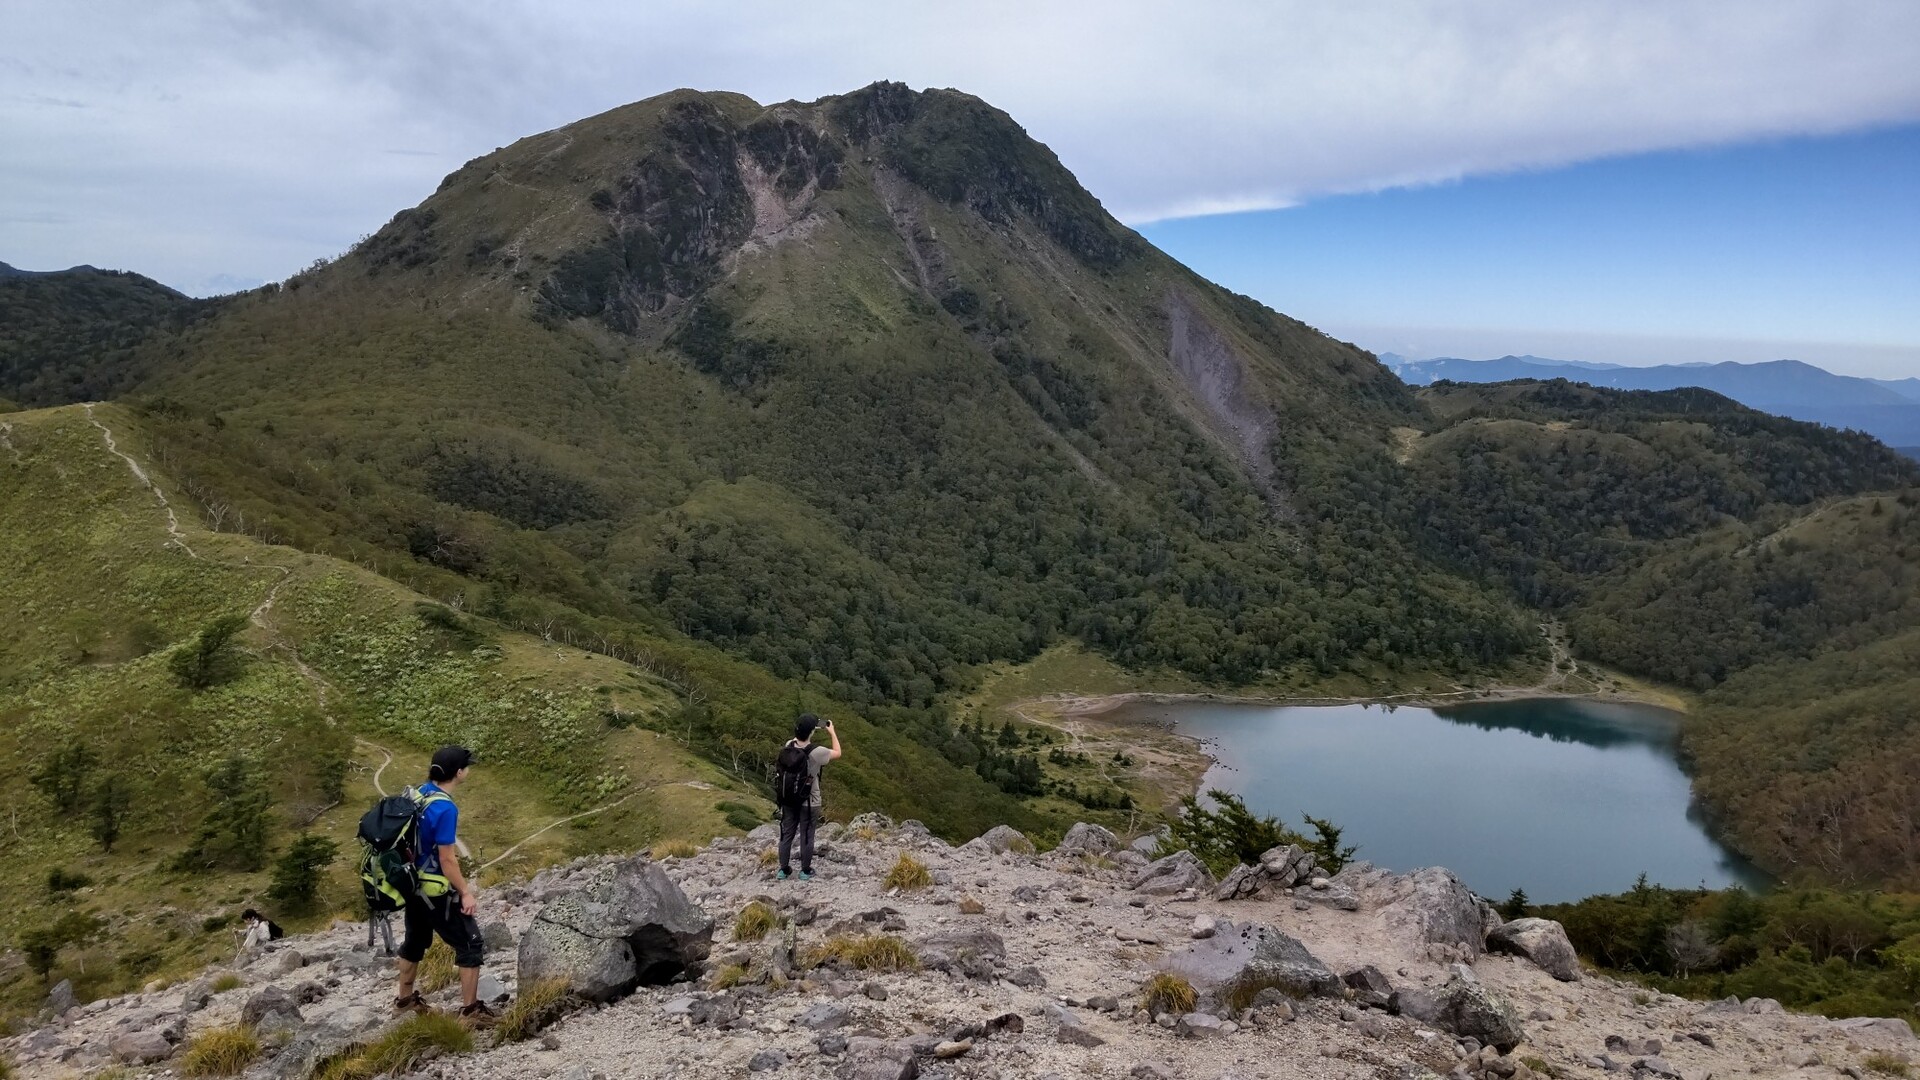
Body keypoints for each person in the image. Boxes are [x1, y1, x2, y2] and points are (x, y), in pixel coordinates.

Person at [391, 746, 492, 1020]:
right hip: (435, 888)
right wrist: (465, 892)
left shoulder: (419, 793)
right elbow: (447, 859)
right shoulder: (445, 808)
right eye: (466, 766)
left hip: (412, 884)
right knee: (470, 943)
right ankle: (471, 1012)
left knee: (414, 941)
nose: (468, 770)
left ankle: (404, 1002)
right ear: (458, 772)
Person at [776, 714, 841, 881]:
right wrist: (831, 732)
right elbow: (838, 752)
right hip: (809, 800)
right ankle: (805, 871)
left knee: (786, 834)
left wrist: (805, 729)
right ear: (812, 732)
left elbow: (796, 739)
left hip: (789, 798)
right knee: (807, 834)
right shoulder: (817, 752)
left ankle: (783, 870)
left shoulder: (788, 746)